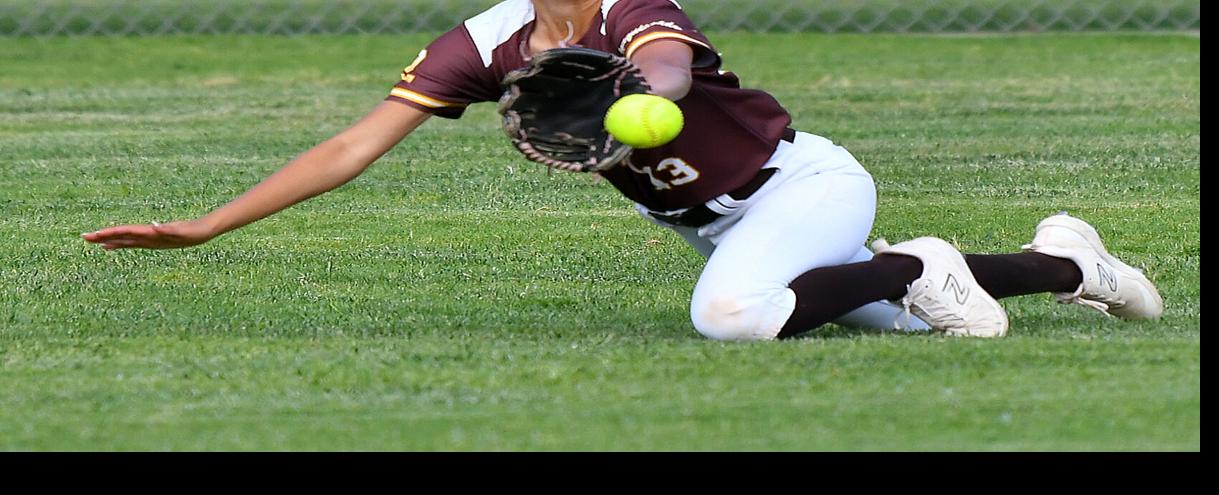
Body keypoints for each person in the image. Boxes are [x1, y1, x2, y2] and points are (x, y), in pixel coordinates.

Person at [82, 0, 1163, 340]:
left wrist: (649, 94)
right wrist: (207, 226)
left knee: (734, 316)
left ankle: (909, 261)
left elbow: (664, 65)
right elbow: (353, 147)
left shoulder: (628, 6)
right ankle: (1069, 266)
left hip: (805, 187)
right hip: (718, 221)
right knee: (904, 320)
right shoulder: (485, 42)